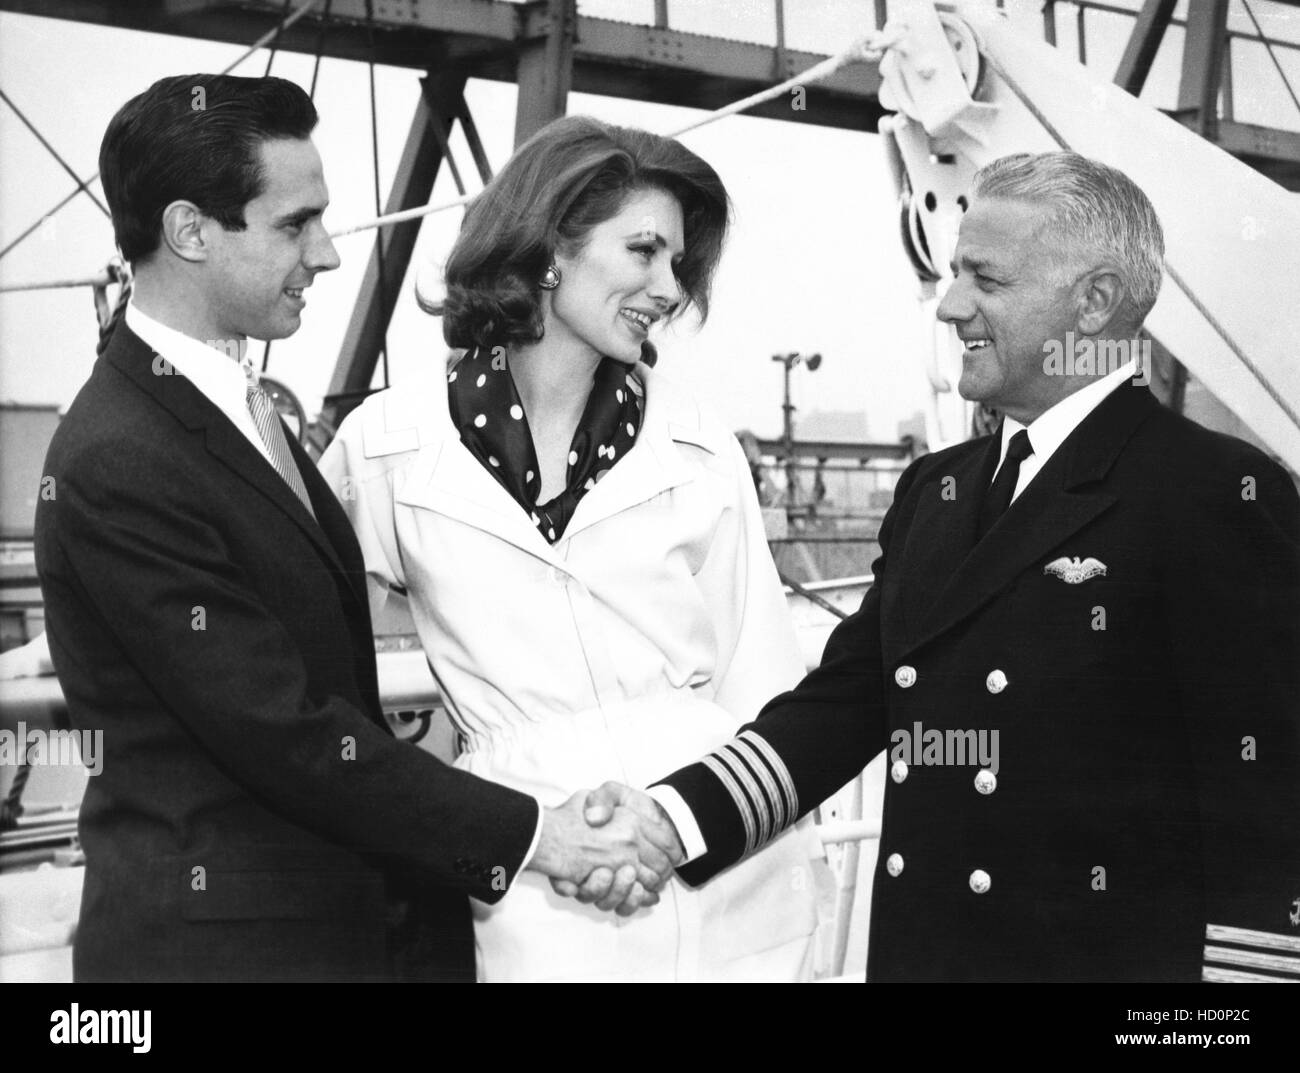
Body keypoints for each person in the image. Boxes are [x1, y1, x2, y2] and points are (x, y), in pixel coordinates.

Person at [586, 151, 1300, 982]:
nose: (952, 307)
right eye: (954, 273)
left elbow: (1271, 804)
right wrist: (672, 820)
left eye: (985, 279)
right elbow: (849, 701)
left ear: (1096, 302)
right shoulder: (939, 489)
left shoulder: (1212, 493)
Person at [33, 75, 675, 983]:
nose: (328, 255)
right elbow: (282, 732)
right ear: (189, 232)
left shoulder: (229, 411)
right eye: (295, 224)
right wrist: (541, 834)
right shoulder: (118, 458)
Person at [319, 115, 828, 982]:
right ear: (550, 244)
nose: (669, 287)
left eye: (678, 262)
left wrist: (700, 831)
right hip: (526, 880)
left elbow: (765, 680)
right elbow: (293, 638)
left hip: (724, 872)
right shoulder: (389, 447)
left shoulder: (698, 441)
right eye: (643, 252)